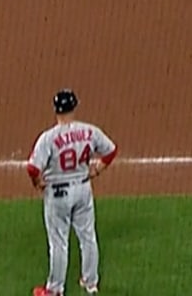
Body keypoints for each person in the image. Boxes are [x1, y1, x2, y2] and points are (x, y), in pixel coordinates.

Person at [27, 89, 119, 296]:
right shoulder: (89, 131)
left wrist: (38, 182)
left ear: (55, 110)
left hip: (58, 193)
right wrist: (97, 169)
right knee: (88, 236)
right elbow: (111, 151)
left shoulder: (49, 138)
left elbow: (33, 168)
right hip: (83, 188)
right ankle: (91, 283)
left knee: (59, 242)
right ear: (74, 107)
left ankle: (54, 289)